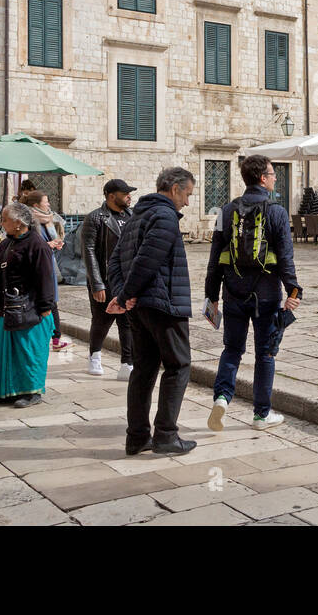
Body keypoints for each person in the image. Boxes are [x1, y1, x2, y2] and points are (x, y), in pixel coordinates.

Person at [205, 154, 302, 432]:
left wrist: (211, 295)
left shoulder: (225, 211)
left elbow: (215, 259)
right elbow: (285, 258)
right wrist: (294, 291)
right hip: (266, 295)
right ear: (263, 178)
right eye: (272, 174)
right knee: (265, 354)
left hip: (232, 293)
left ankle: (222, 398)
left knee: (232, 349)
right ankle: (261, 414)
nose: (274, 178)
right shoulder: (277, 212)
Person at [106, 167, 197, 457]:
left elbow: (115, 261)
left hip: (140, 306)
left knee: (144, 369)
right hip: (163, 304)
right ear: (174, 189)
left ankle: (136, 437)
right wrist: (125, 295)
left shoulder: (136, 218)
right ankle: (166, 436)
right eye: (187, 195)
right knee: (178, 365)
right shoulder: (165, 216)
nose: (187, 202)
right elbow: (148, 259)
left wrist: (124, 294)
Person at [0, 202, 55, 408]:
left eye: (5, 219)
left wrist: (45, 308)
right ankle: (8, 391)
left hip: (30, 310)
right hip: (9, 310)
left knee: (28, 353)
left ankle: (32, 391)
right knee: (7, 354)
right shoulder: (8, 243)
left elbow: (45, 278)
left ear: (18, 223)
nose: (2, 223)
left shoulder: (37, 245)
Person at [81, 178, 137, 379]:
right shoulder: (96, 218)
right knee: (102, 320)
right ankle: (94, 355)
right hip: (105, 280)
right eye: (125, 193)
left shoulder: (133, 216)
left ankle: (127, 364)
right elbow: (88, 252)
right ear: (112, 196)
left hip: (126, 280)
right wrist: (96, 283)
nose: (130, 196)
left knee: (127, 322)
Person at [20, 190, 70, 351]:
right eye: (46, 201)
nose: (48, 204)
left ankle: (55, 338)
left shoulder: (47, 219)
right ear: (36, 205)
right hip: (35, 267)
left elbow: (49, 240)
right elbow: (30, 245)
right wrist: (48, 245)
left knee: (51, 300)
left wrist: (56, 243)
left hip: (48, 263)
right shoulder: (29, 221)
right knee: (46, 299)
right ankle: (49, 337)